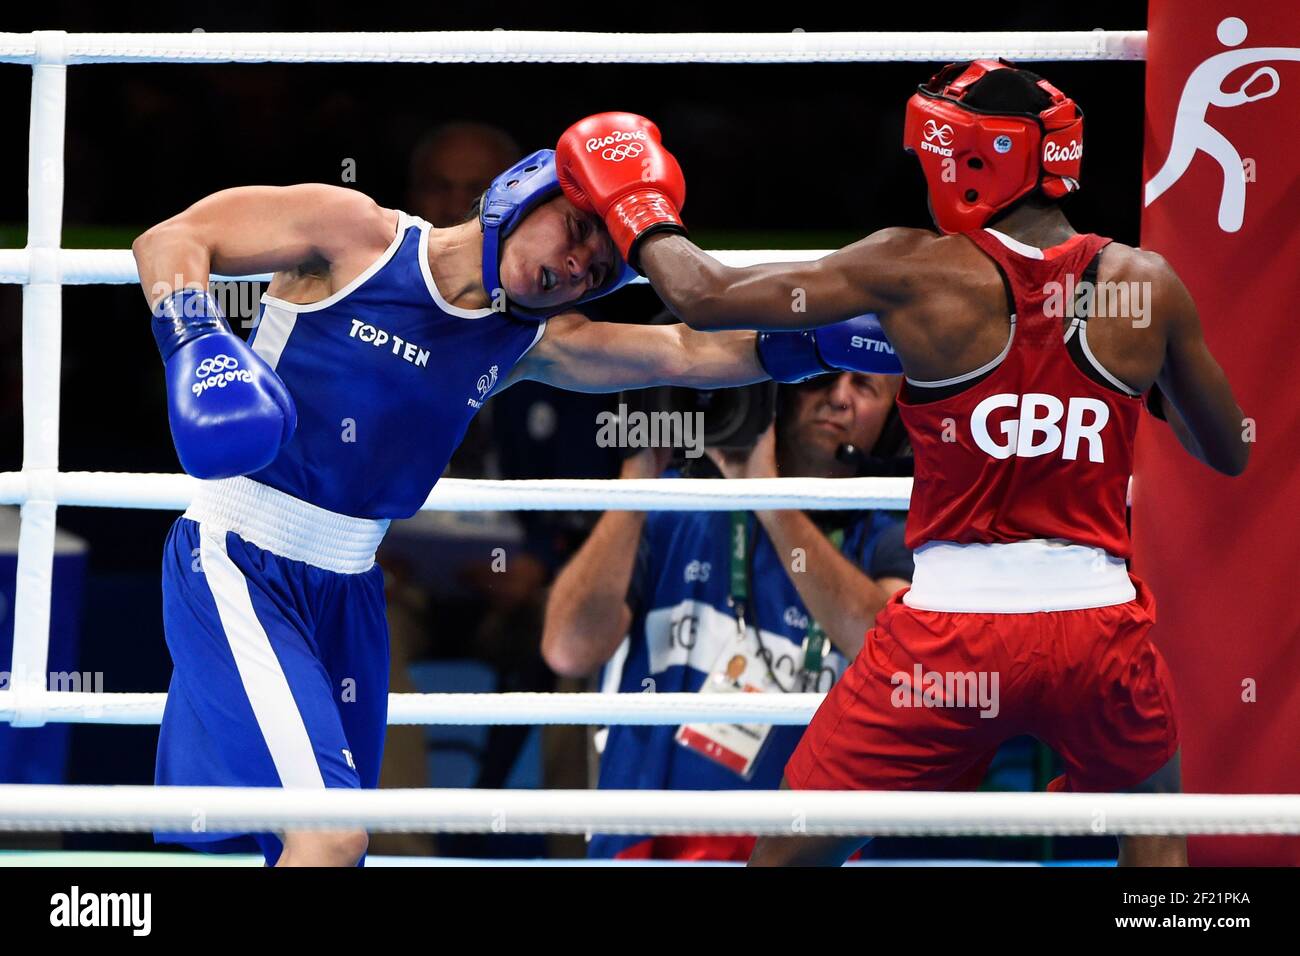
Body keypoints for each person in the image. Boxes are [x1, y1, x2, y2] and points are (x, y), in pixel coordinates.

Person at [554, 59, 1249, 867]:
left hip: (949, 639)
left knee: (787, 851)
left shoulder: (914, 271)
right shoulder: (1149, 285)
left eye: (931, 161)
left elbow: (702, 295)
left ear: (971, 163)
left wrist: (632, 200)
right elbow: (1227, 449)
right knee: (1156, 832)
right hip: (1098, 632)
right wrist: (1126, 381)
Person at [133, 148, 895, 867]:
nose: (575, 265)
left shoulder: (523, 343)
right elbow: (173, 238)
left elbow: (690, 353)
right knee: (328, 836)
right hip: (241, 558)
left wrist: (830, 334)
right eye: (576, 230)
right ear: (523, 190)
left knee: (313, 841)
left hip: (351, 588)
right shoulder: (354, 232)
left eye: (596, 269)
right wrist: (194, 338)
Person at [543, 373, 913, 861]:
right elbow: (567, 648)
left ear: (891, 420)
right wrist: (638, 480)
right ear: (779, 387)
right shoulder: (674, 503)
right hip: (644, 850)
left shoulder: (892, 535)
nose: (839, 398)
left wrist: (768, 499)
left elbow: (896, 655)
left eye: (864, 386)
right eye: (821, 375)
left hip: (797, 857)